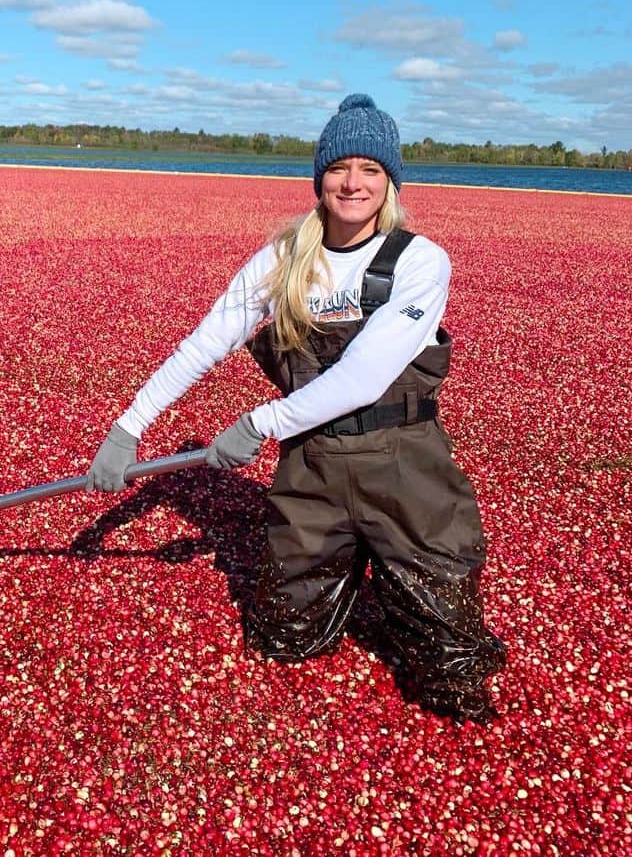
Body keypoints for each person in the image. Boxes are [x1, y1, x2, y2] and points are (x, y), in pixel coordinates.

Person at [87, 93, 506, 724]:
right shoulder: (284, 260)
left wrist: (260, 422)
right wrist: (129, 426)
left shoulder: (419, 261)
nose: (353, 183)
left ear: (389, 181)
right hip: (314, 466)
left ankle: (401, 585)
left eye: (370, 169)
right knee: (284, 638)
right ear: (319, 177)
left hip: (404, 462)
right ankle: (347, 573)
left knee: (450, 659)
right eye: (339, 167)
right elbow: (206, 342)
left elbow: (365, 377)